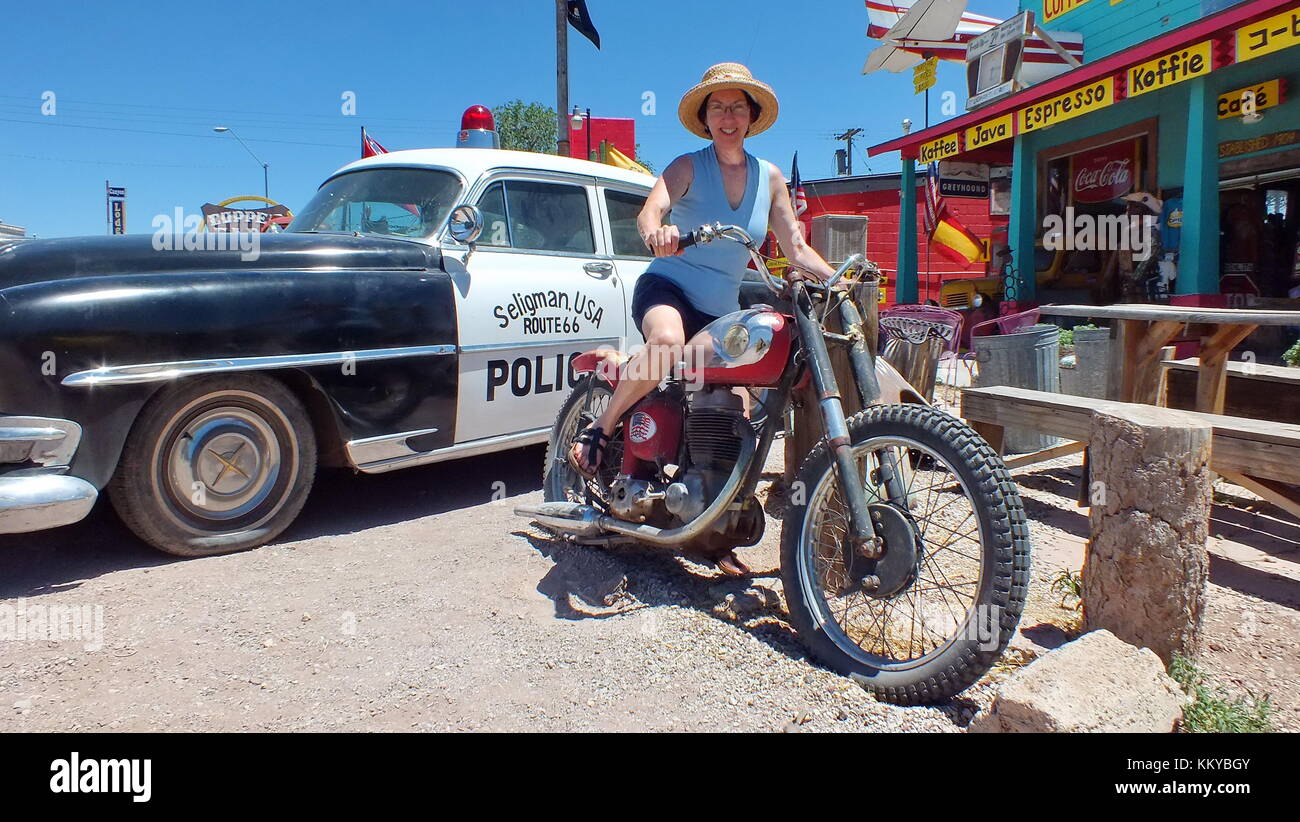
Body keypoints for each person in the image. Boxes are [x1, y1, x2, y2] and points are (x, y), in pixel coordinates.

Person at [567, 63, 837, 568]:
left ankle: (713, 530)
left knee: (735, 412)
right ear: (706, 117)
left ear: (752, 115)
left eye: (737, 105)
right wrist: (658, 233)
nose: (728, 115)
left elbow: (796, 248)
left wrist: (841, 281)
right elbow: (651, 211)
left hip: (719, 311)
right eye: (718, 106)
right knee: (666, 344)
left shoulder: (770, 178)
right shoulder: (688, 165)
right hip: (669, 288)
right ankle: (602, 428)